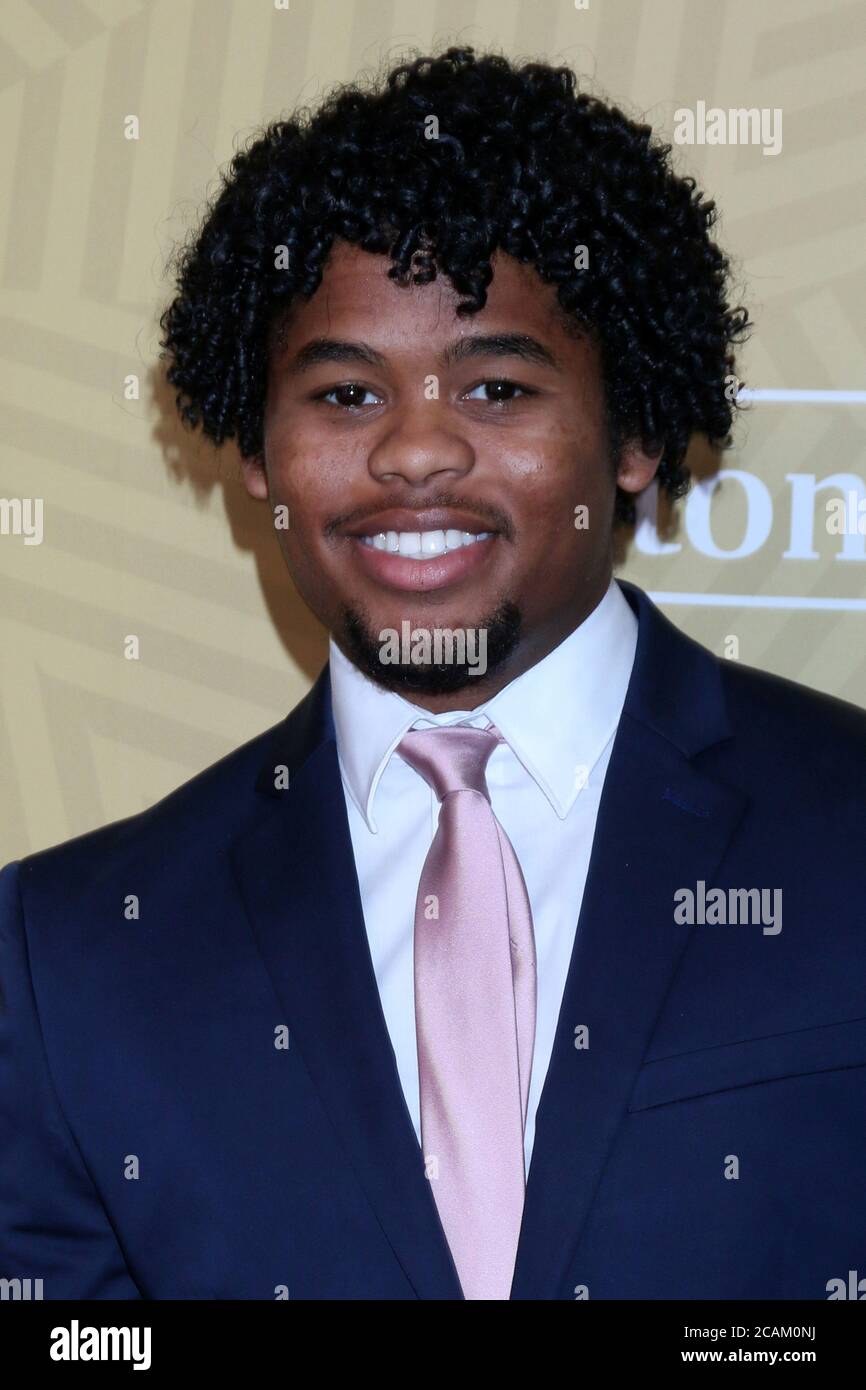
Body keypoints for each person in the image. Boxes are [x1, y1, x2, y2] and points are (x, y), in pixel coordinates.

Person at [2, 46, 865, 1302]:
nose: (413, 449)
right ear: (255, 450)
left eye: (497, 386)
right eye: (346, 392)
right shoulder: (72, 955)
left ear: (631, 434)